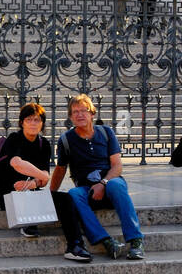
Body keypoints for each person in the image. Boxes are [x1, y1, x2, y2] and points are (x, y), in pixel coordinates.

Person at [0, 103, 91, 262]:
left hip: (31, 192)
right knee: (23, 192)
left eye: (37, 120)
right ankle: (29, 224)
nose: (33, 123)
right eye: (29, 119)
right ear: (22, 122)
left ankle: (75, 246)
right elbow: (17, 163)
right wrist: (42, 177)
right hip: (5, 192)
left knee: (65, 199)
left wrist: (34, 183)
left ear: (42, 123)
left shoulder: (43, 144)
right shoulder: (14, 139)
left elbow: (43, 181)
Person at [50, 94, 144, 260]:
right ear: (70, 117)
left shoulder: (106, 132)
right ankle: (106, 241)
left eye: (83, 111)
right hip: (87, 191)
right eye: (75, 112)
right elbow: (60, 169)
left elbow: (117, 166)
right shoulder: (66, 140)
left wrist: (103, 183)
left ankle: (136, 241)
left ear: (92, 113)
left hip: (111, 186)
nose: (79, 115)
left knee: (116, 184)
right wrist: (50, 194)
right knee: (73, 194)